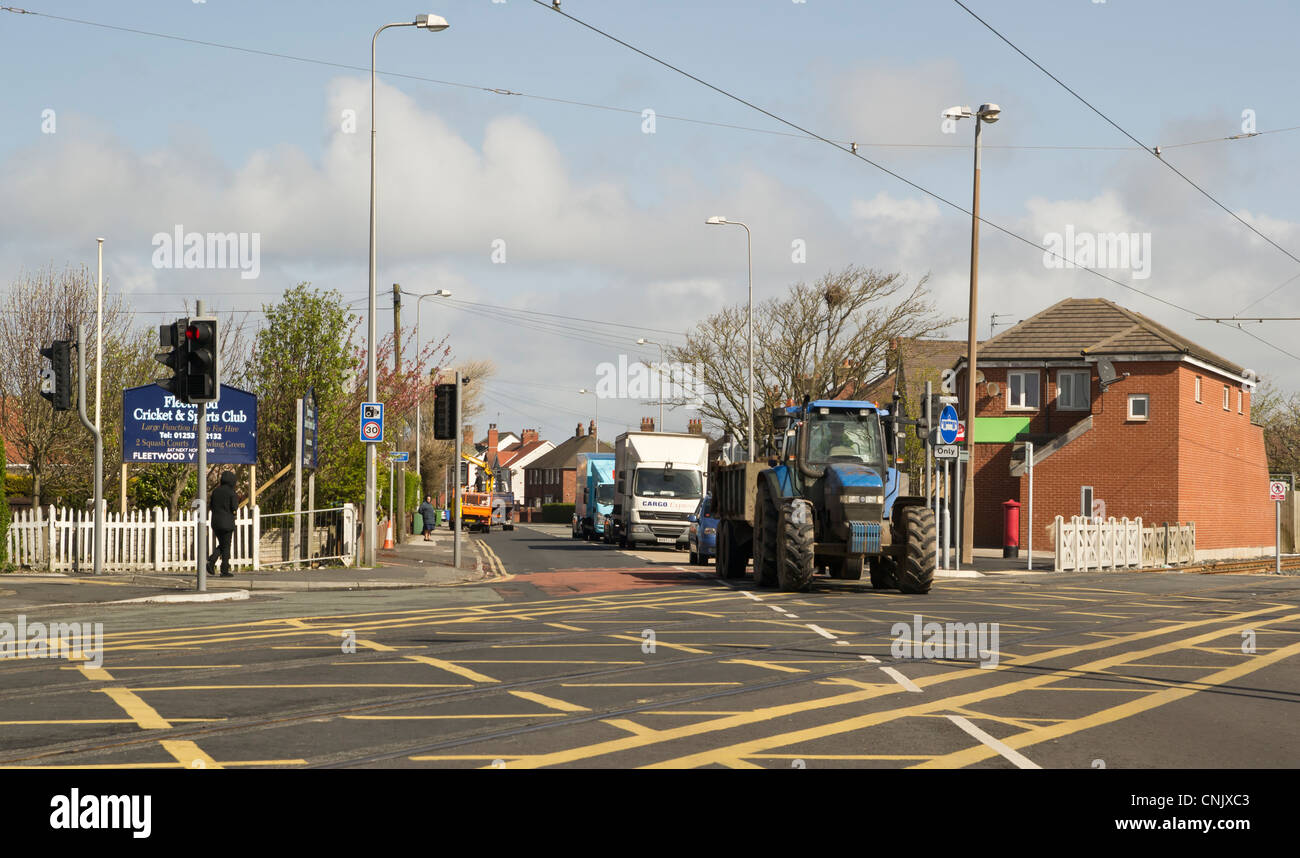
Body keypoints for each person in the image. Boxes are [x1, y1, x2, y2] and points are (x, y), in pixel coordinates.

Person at [206, 471, 239, 577]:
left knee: (222, 544)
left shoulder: (215, 492)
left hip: (215, 522)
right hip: (227, 523)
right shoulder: (231, 492)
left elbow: (211, 506)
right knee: (226, 546)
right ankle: (223, 570)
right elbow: (234, 507)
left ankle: (212, 561)